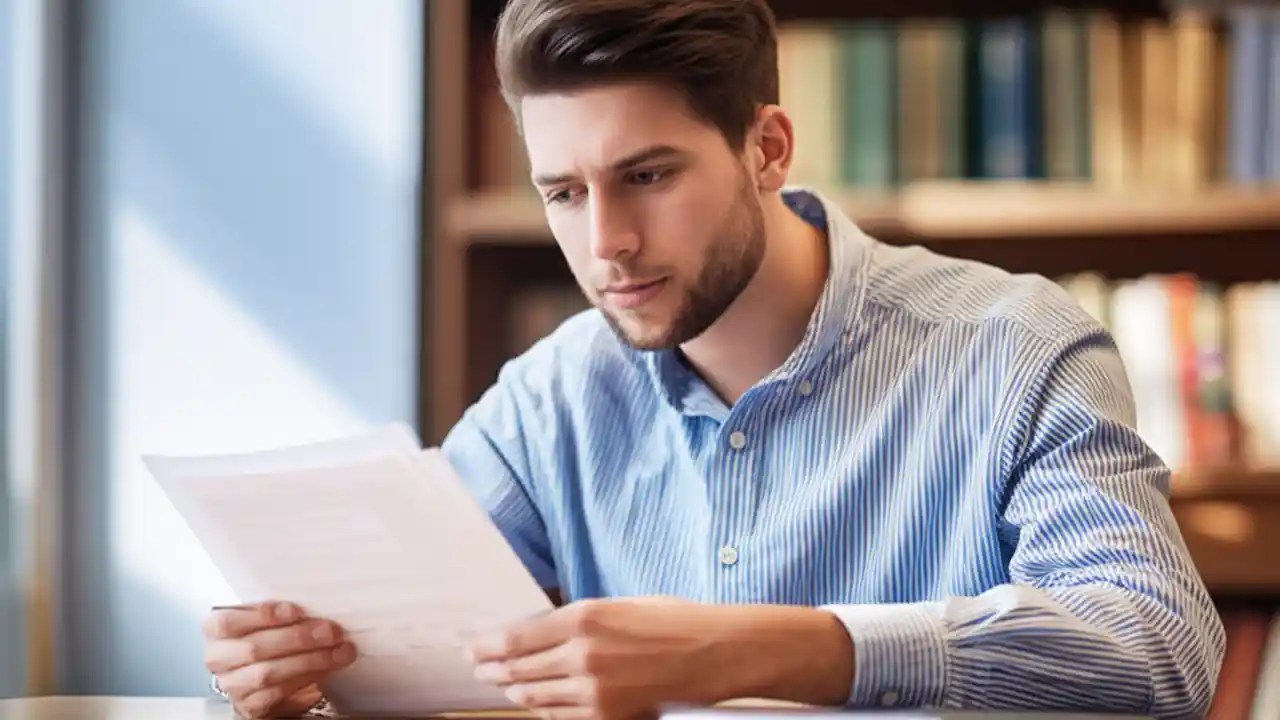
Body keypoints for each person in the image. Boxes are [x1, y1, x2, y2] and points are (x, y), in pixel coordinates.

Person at [200, 0, 1226, 718]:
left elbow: (1155, 648)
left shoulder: (1012, 348)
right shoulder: (554, 395)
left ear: (767, 148)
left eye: (644, 175)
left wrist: (753, 650)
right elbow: (422, 643)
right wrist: (300, 679)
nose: (603, 242)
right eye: (561, 192)